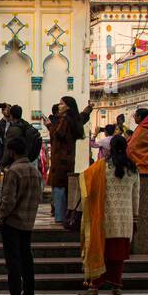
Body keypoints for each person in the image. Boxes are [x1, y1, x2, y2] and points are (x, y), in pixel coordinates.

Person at [80, 134, 139, 295]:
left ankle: (95, 286)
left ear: (110, 148)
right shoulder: (133, 169)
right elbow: (136, 196)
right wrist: (135, 217)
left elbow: (85, 180)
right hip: (124, 219)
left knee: (101, 251)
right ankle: (117, 285)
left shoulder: (102, 167)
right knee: (118, 255)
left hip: (104, 217)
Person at [0, 135, 42, 295]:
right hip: (28, 220)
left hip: (13, 221)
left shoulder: (13, 172)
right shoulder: (35, 171)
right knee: (26, 257)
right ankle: (29, 294)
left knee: (13, 259)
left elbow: (8, 200)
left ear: (12, 152)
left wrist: (0, 216)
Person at [47, 96, 90, 225]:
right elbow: (82, 117)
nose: (59, 106)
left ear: (68, 107)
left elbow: (58, 135)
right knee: (65, 187)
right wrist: (88, 110)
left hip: (60, 159)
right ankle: (64, 214)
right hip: (68, 159)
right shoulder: (73, 119)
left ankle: (60, 216)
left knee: (59, 187)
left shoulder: (64, 120)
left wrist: (50, 126)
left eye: (61, 104)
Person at [126, 107, 148, 174]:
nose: (134, 118)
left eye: (134, 116)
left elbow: (131, 148)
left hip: (139, 165)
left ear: (139, 117)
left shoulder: (141, 130)